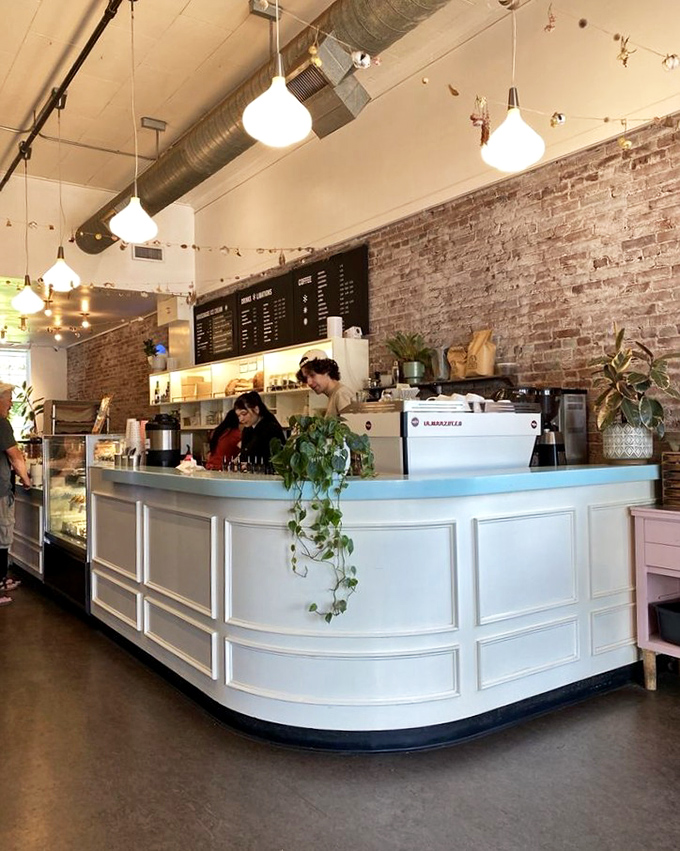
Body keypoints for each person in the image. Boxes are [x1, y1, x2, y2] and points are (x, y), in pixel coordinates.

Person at [0, 383, 31, 606]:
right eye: (8, 398)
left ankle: (2, 580)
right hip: (0, 491)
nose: (11, 403)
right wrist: (26, 479)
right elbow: (15, 456)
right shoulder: (2, 423)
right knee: (2, 537)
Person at [233, 391, 285, 465]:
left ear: (256, 409)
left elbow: (274, 460)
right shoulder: (247, 429)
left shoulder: (271, 429)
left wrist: (250, 465)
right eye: (238, 416)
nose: (241, 419)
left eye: (244, 414)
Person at [296, 352, 355, 417]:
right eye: (306, 378)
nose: (309, 382)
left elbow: (351, 424)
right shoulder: (334, 395)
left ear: (326, 370)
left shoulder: (341, 393)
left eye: (312, 375)